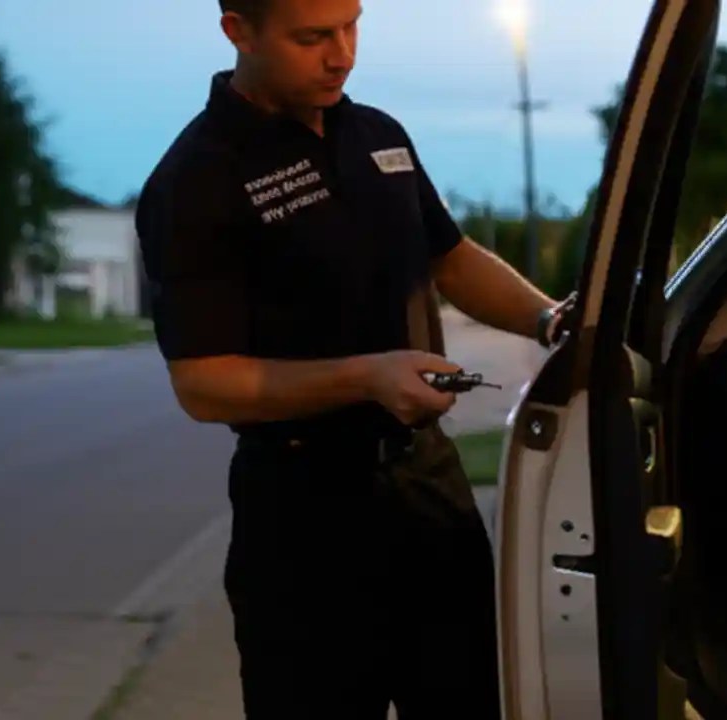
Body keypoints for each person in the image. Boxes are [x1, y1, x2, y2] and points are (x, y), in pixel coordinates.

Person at [133, 0, 573, 716]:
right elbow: (205, 384)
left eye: (352, 25)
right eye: (312, 37)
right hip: (304, 519)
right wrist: (368, 376)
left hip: (428, 488)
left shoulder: (377, 135)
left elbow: (452, 260)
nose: (343, 54)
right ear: (237, 29)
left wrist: (551, 319)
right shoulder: (196, 179)